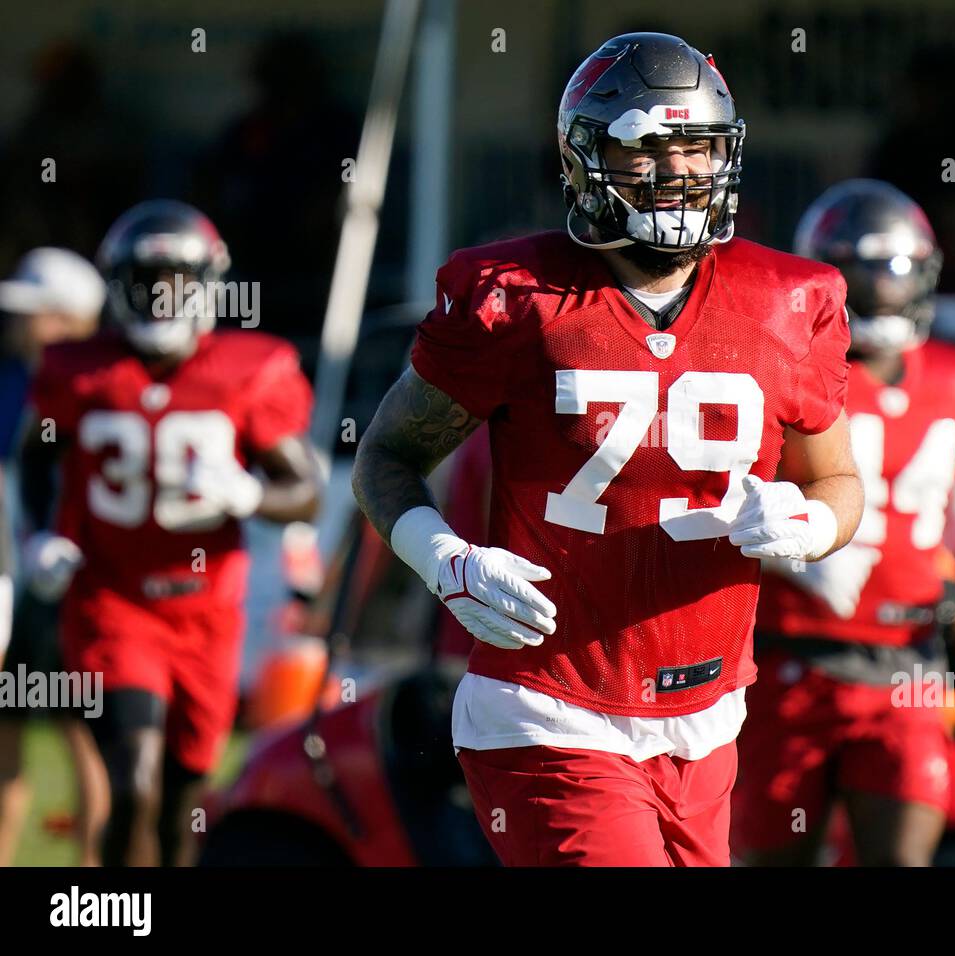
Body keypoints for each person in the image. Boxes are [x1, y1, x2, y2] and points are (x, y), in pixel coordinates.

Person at [352, 32, 863, 866]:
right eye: (647, 152)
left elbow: (842, 481)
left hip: (706, 712)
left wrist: (808, 524)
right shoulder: (517, 300)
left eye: (697, 150)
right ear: (588, 162)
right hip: (550, 704)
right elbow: (385, 459)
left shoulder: (785, 301)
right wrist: (445, 557)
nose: (678, 176)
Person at [730, 180, 955, 866]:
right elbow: (721, 499)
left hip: (906, 663)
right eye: (865, 274)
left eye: (897, 272)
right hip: (791, 659)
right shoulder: (782, 372)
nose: (884, 292)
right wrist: (800, 548)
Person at [18, 201, 321, 865]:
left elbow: (306, 494)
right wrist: (39, 533)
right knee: (135, 780)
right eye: (146, 279)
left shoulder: (251, 367)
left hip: (207, 609)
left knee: (183, 798)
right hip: (114, 599)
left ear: (209, 283)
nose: (162, 296)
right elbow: (39, 455)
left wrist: (248, 492)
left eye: (177, 280)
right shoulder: (79, 369)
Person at [0, 248, 109, 866]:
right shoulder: (24, 380)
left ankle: (93, 888)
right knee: (7, 741)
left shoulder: (91, 388)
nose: (18, 326)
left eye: (32, 314)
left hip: (79, 596)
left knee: (85, 744)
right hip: (32, 590)